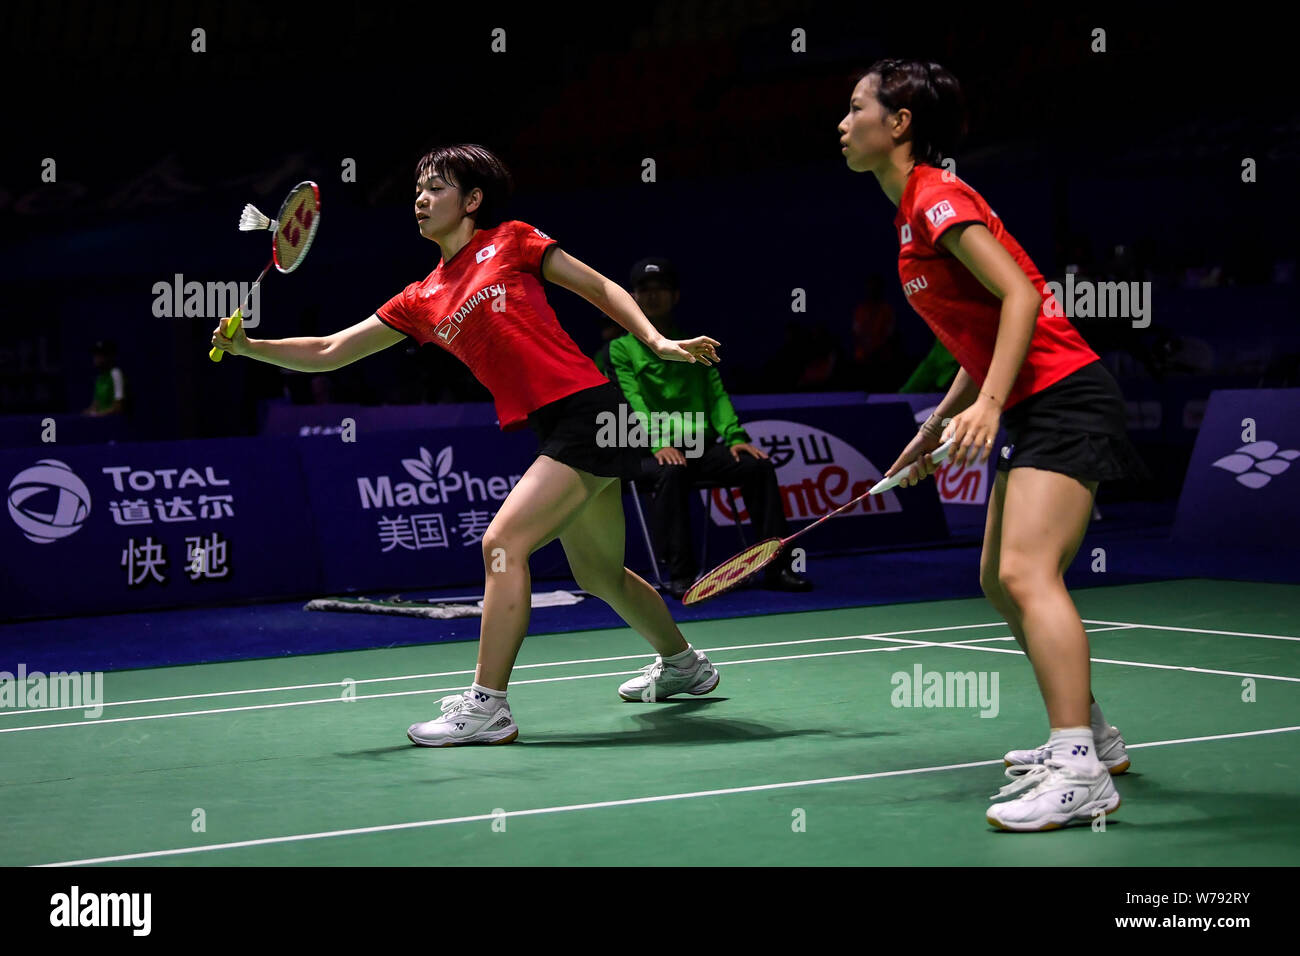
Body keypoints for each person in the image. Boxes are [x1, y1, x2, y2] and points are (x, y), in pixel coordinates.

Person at [212, 144, 725, 745]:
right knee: (600, 573)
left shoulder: (511, 240)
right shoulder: (422, 296)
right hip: (555, 425)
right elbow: (331, 350)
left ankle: (488, 706)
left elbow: (601, 287)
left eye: (436, 188)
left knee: (503, 544)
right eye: (417, 191)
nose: (421, 199)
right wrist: (252, 346)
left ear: (472, 200)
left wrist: (655, 340)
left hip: (588, 412)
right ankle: (685, 665)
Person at [838, 60, 1147, 831]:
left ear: (899, 122)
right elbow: (978, 334)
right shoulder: (910, 208)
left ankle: (1080, 771)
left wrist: (993, 403)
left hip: (1065, 396)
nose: (842, 124)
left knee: (1025, 569)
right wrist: (939, 422)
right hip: (1033, 401)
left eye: (855, 108)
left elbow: (1019, 295)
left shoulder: (937, 197)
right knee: (998, 579)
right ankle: (1093, 737)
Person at [608, 257, 813, 599]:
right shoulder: (622, 348)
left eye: (661, 289)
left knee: (757, 466)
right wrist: (658, 443)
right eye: (644, 290)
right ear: (633, 297)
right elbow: (632, 402)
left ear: (675, 296)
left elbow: (716, 394)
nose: (653, 296)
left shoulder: (696, 342)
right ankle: (683, 577)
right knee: (670, 474)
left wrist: (735, 437)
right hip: (649, 449)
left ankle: (779, 568)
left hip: (700, 446)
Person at [83, 341, 126, 416]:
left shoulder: (116, 374)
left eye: (101, 354)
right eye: (95, 354)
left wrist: (98, 415)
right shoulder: (100, 378)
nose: (97, 358)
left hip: (113, 423)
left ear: (110, 356)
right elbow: (96, 405)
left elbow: (118, 407)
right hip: (102, 422)